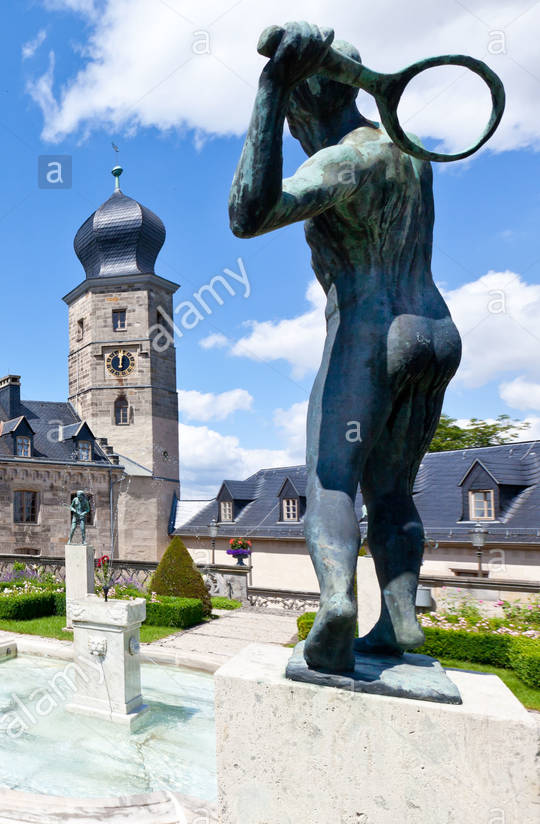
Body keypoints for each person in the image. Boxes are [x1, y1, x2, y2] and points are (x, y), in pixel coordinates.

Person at [228, 22, 460, 673]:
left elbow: (248, 214)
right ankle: (402, 622)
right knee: (395, 491)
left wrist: (270, 88)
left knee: (332, 480)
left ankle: (336, 602)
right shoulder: (407, 152)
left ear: (307, 104)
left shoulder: (341, 159)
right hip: (435, 333)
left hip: (369, 328)